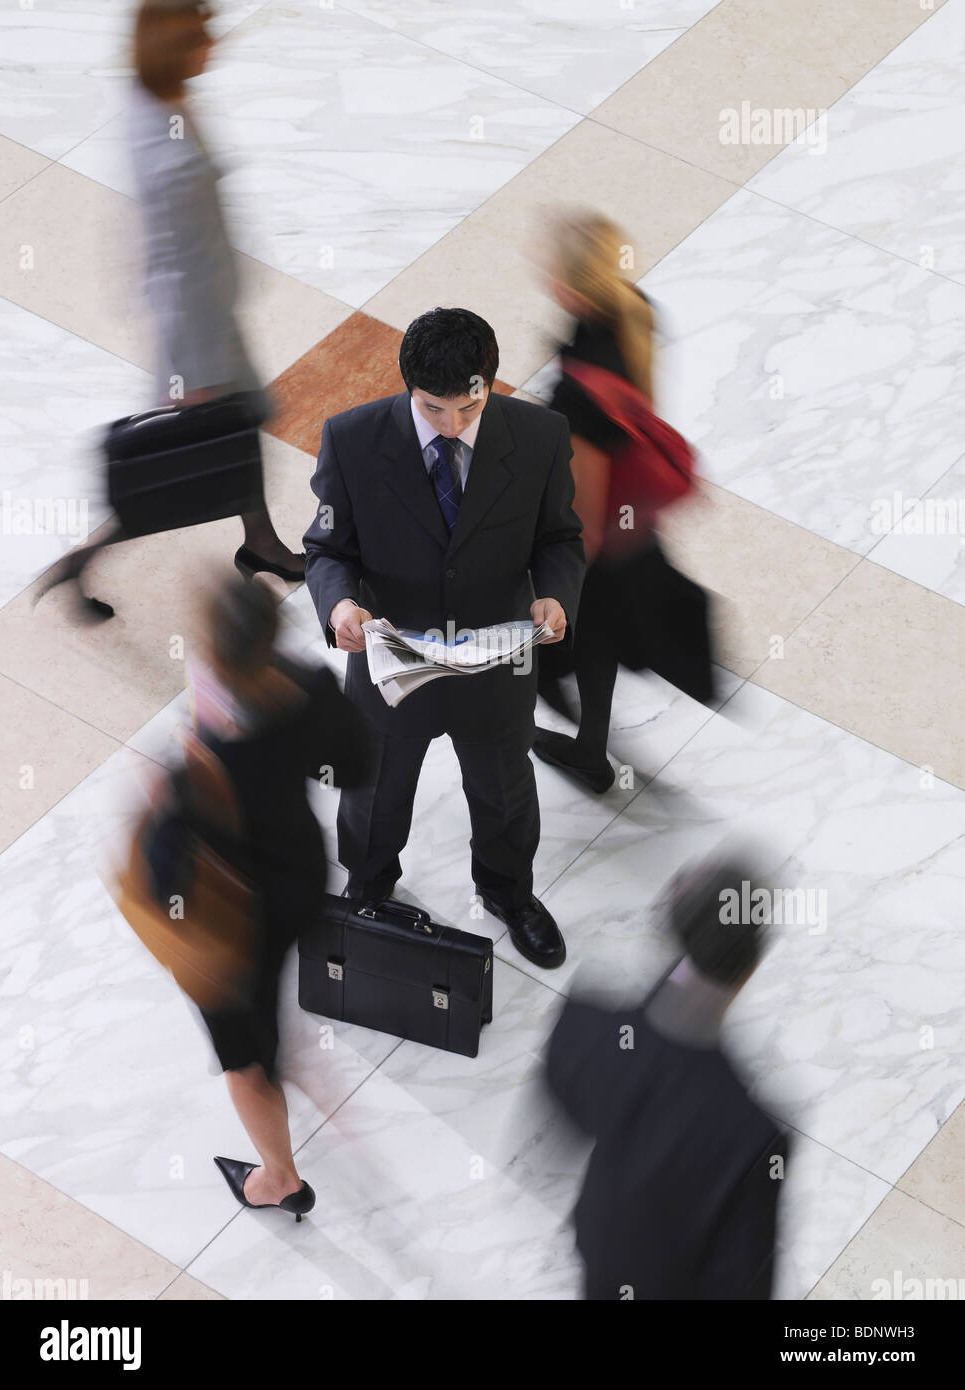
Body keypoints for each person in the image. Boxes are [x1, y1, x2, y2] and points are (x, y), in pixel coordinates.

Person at [303, 307, 585, 970]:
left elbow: (558, 538)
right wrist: (339, 601)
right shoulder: (350, 439)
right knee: (373, 790)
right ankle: (369, 884)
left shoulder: (540, 436)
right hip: (391, 659)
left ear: (490, 381)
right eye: (433, 409)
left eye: (468, 405)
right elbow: (324, 547)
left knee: (504, 789)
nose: (452, 425)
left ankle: (509, 893)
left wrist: (554, 592)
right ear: (408, 388)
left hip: (494, 661)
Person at [38, 0, 302, 621]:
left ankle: (262, 543)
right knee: (179, 470)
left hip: (205, 317)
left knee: (240, 432)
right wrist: (197, 372)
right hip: (198, 333)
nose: (215, 43)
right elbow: (176, 264)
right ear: (175, 47)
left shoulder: (155, 101)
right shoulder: (167, 146)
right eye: (202, 36)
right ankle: (83, 560)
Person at [188, 573, 374, 1219]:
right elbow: (356, 767)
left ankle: (278, 1180)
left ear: (211, 649)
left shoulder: (209, 737)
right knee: (270, 1000)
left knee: (245, 1057)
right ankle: (288, 1054)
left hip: (232, 920)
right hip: (299, 878)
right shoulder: (309, 688)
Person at [544, 855, 790, 1299]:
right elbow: (744, 1282)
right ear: (749, 971)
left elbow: (569, 1108)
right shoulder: (752, 1138)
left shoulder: (586, 1027)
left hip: (601, 1261)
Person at [534, 211, 714, 792]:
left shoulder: (578, 386)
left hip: (601, 537)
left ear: (567, 287)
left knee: (558, 645)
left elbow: (583, 515)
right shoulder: (637, 310)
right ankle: (590, 749)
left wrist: (556, 580)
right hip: (633, 525)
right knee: (601, 639)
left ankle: (584, 749)